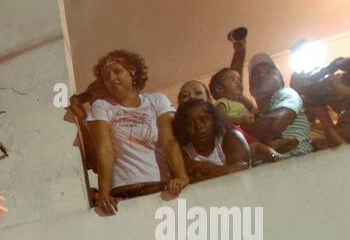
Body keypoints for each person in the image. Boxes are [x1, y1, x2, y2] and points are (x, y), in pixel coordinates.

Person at [85, 50, 188, 214]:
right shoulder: (102, 106)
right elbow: (105, 150)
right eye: (106, 76)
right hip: (123, 194)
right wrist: (104, 192)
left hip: (160, 188)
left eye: (117, 71)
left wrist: (181, 176)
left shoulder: (157, 100)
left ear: (132, 71)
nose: (112, 78)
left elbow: (168, 141)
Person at [244, 53, 312, 157]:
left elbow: (272, 124)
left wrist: (239, 131)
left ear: (281, 82)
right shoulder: (255, 116)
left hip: (295, 164)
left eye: (269, 72)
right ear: (251, 90)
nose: (261, 75)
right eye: (255, 74)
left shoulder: (287, 93)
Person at [173, 99, 251, 181]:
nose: (199, 126)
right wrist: (225, 170)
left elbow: (240, 173)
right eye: (190, 123)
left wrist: (200, 168)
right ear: (183, 127)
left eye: (204, 119)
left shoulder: (232, 137)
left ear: (214, 120)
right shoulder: (182, 153)